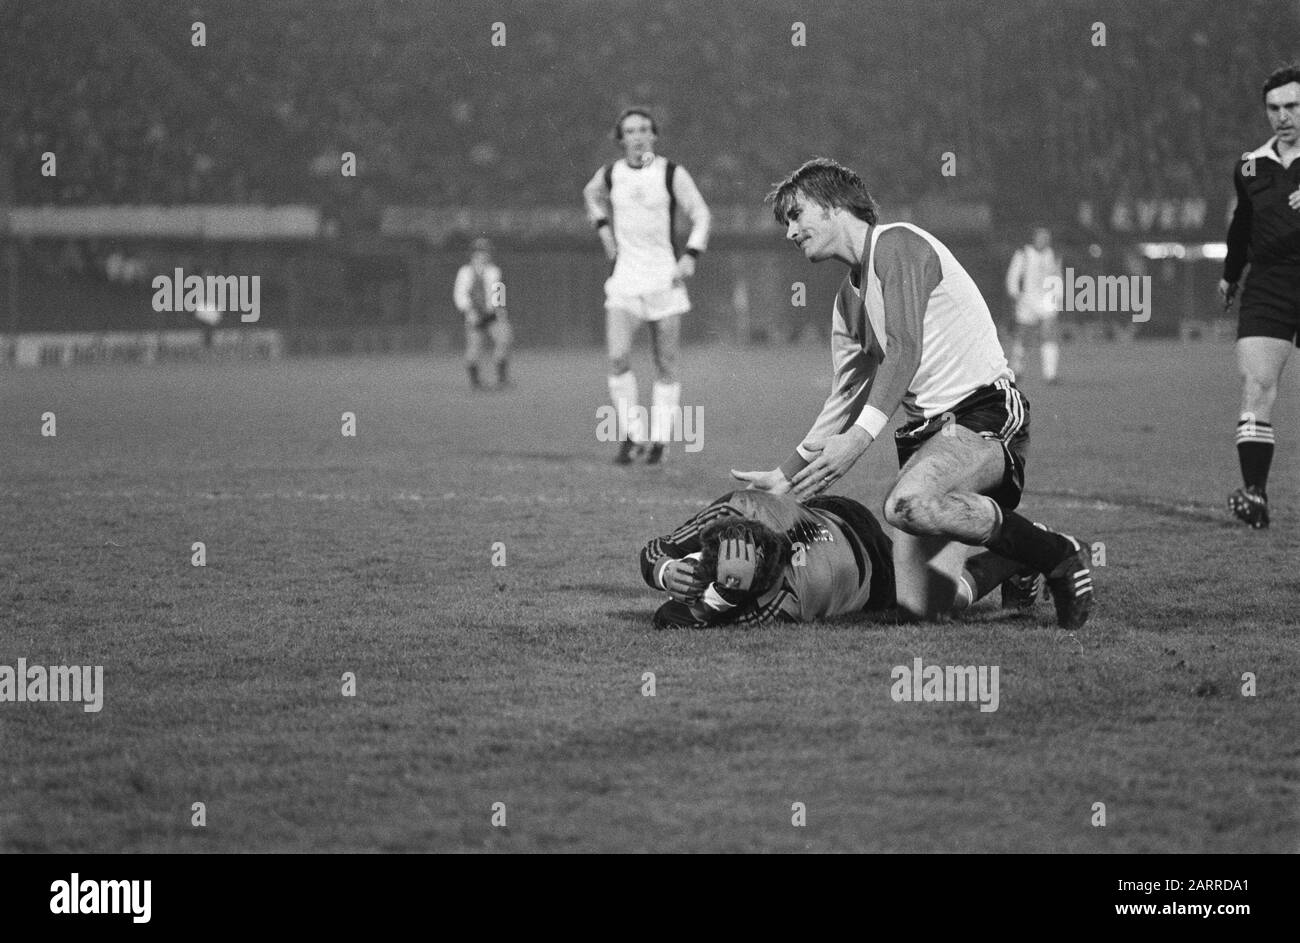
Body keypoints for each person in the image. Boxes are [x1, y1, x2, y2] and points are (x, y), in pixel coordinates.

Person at [730, 158, 1093, 628]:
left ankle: (1058, 554)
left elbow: (905, 348)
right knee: (924, 608)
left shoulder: (897, 243)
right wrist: (786, 475)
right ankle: (1016, 557)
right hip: (929, 441)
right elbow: (844, 400)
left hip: (982, 417)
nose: (790, 232)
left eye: (796, 215)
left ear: (833, 205)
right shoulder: (846, 303)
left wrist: (859, 440)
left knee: (906, 504)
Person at [639, 489, 1043, 629]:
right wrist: (666, 570)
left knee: (937, 602)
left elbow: (671, 619)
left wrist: (717, 598)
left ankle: (1023, 554)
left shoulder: (788, 599)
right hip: (830, 511)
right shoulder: (739, 507)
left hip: (871, 565)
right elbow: (655, 550)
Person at [583, 107, 711, 464]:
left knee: (665, 363)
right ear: (620, 138)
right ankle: (633, 436)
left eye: (643, 129)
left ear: (653, 135)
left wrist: (690, 255)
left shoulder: (671, 173)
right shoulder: (611, 174)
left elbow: (701, 214)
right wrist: (603, 230)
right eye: (630, 131)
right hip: (625, 279)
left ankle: (659, 441)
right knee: (617, 356)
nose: (637, 136)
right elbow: (590, 195)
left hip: (663, 279)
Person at [1220, 64, 1300, 530]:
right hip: (1269, 283)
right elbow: (1243, 224)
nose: (1282, 116)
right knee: (1256, 386)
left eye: (1292, 106)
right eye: (1274, 108)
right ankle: (1255, 493)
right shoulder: (1250, 165)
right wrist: (1231, 275)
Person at [1005, 226, 1064, 383]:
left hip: (1046, 299)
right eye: (1040, 237)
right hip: (1027, 299)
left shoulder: (1053, 254)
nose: (1043, 240)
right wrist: (1015, 294)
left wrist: (1058, 296)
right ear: (1034, 238)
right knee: (1023, 335)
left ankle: (1050, 374)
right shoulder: (1024, 253)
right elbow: (1013, 275)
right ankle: (1016, 369)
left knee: (1049, 333)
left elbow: (1057, 276)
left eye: (1046, 237)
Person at [452, 237, 511, 390]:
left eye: (485, 252)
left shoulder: (494, 271)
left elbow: (498, 291)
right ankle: (475, 381)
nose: (483, 255)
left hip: (491, 314)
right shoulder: (465, 272)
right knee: (474, 346)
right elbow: (460, 294)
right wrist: (469, 311)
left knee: (504, 340)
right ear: (473, 254)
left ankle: (502, 378)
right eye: (479, 252)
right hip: (473, 313)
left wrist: (500, 310)